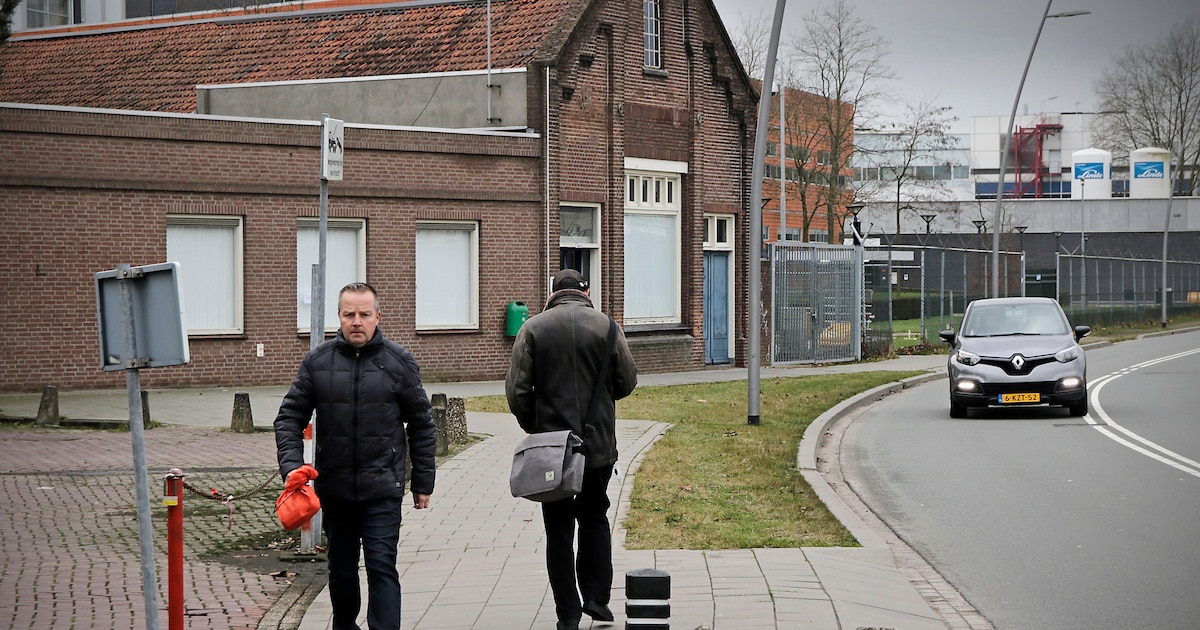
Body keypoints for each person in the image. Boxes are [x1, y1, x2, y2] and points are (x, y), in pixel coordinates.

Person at [275, 282, 435, 630]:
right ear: (339, 316)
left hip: (383, 488)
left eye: (364, 314)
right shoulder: (318, 362)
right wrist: (292, 467)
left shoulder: (399, 362)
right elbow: (288, 417)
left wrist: (422, 482)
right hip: (335, 489)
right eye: (350, 314)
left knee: (381, 565)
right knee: (342, 570)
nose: (357, 321)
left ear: (378, 316)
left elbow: (422, 424)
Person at [505, 268, 638, 630]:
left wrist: (535, 427)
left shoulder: (533, 329)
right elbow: (627, 382)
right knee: (595, 517)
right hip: (597, 447)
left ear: (552, 294)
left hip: (552, 449)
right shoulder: (609, 328)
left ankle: (568, 612)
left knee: (558, 529)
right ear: (587, 291)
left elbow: (517, 391)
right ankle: (597, 597)